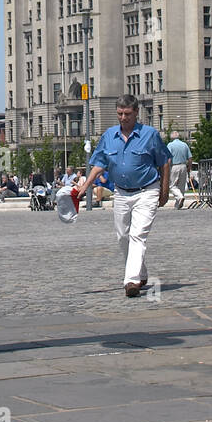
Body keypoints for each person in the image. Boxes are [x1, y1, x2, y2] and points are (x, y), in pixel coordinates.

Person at [77, 95, 171, 297]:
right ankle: (141, 272)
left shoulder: (150, 135)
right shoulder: (109, 136)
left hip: (146, 190)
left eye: (127, 114)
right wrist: (86, 185)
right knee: (123, 236)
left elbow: (165, 161)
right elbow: (100, 163)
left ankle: (131, 281)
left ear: (136, 113)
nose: (123, 118)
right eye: (120, 114)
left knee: (138, 234)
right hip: (121, 192)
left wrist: (164, 191)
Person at [166, 130, 193, 208]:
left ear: (171, 137)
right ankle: (178, 204)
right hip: (183, 166)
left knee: (172, 185)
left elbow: (169, 158)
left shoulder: (170, 145)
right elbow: (190, 158)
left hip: (174, 166)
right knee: (181, 185)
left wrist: (167, 168)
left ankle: (180, 197)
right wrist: (189, 167)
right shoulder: (184, 145)